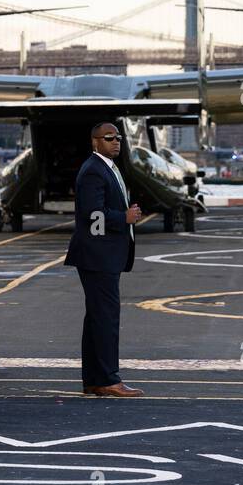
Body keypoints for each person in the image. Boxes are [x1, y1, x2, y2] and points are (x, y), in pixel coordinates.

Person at [63, 122, 144, 397]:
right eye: (109, 138)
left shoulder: (107, 168)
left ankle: (95, 380)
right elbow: (93, 216)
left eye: (118, 137)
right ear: (95, 142)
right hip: (98, 256)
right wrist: (124, 218)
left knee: (97, 318)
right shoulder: (93, 171)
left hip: (104, 256)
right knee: (106, 318)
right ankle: (109, 379)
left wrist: (126, 212)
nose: (116, 142)